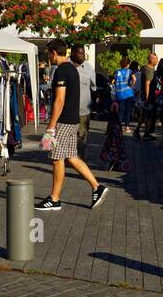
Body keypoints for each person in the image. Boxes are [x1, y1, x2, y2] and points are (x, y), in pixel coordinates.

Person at [36, 40, 106, 212]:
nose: (48, 57)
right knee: (71, 157)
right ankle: (97, 187)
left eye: (48, 53)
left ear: (53, 52)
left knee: (57, 159)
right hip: (73, 119)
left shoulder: (61, 71)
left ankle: (54, 198)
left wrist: (51, 125)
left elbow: (60, 100)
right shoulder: (72, 69)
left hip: (64, 121)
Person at [71, 44, 97, 156]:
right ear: (72, 53)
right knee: (68, 137)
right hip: (68, 111)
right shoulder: (65, 66)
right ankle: (70, 157)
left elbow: (94, 88)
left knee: (82, 137)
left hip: (83, 111)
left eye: (83, 53)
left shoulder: (88, 68)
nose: (82, 56)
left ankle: (80, 158)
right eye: (80, 53)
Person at [112, 57, 136, 130]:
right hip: (129, 93)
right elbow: (134, 79)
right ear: (128, 64)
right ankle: (127, 127)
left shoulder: (116, 72)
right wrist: (131, 85)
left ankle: (118, 126)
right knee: (128, 110)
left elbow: (113, 82)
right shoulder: (129, 71)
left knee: (121, 110)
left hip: (120, 94)